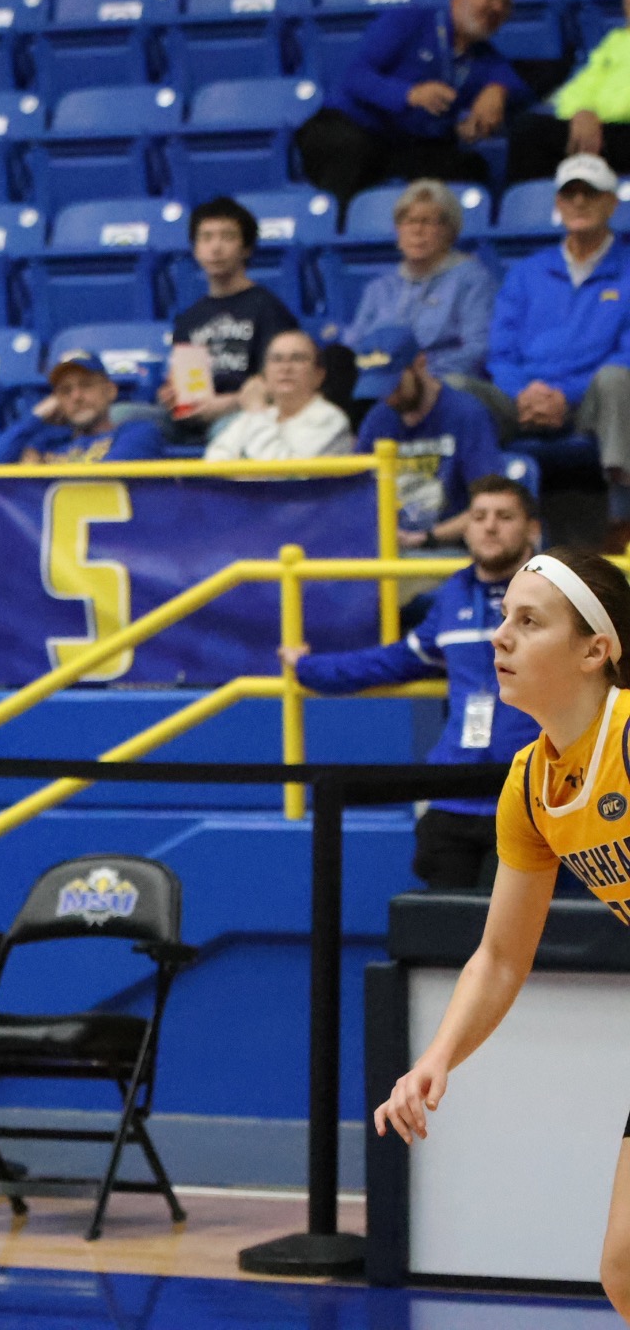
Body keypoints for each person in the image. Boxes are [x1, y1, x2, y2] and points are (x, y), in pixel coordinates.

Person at [373, 547, 630, 1316]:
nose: (500, 638)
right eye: (500, 619)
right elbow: (500, 957)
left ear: (597, 648)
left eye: (528, 621)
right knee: (624, 1264)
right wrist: (436, 1058)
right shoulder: (531, 784)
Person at [281, 477, 541, 890]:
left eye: (504, 517)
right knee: (436, 934)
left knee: (514, 945)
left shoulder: (560, 595)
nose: (490, 527)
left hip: (532, 801)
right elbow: (395, 661)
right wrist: (310, 668)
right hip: (452, 795)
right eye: (479, 517)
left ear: (533, 530)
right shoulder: (454, 593)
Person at [452, 155, 630, 520]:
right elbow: (499, 353)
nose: (579, 202)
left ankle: (622, 517)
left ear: (611, 203)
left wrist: (566, 395)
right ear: (558, 204)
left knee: (617, 381)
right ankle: (464, 513)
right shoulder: (526, 272)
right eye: (570, 194)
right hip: (523, 399)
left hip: (589, 403)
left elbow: (626, 354)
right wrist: (526, 393)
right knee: (454, 388)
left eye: (591, 193)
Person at [295, 0, 528, 205]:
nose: (497, 7)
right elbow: (355, 77)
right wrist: (409, 94)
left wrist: (498, 90)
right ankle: (339, 239)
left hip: (404, 144)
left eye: (506, 3)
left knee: (468, 168)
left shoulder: (485, 57)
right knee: (352, 149)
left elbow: (520, 83)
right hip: (351, 124)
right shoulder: (411, 18)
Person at [353, 325, 508, 546]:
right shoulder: (377, 419)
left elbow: (491, 500)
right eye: (378, 389)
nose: (389, 397)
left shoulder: (466, 414)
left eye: (394, 385)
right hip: (391, 549)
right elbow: (358, 497)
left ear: (420, 363)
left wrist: (429, 538)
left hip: (453, 549)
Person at [160, 197, 301, 437]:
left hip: (244, 412)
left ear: (246, 248)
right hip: (193, 414)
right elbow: (181, 381)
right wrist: (169, 395)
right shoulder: (189, 318)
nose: (216, 247)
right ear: (195, 249)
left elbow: (282, 382)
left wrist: (229, 403)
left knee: (226, 430)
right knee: (125, 417)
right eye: (206, 237)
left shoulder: (268, 309)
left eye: (227, 237)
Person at [342, 180, 498, 383]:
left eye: (427, 222)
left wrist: (419, 374)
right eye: (409, 221)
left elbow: (479, 348)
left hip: (442, 381)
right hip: (381, 380)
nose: (417, 230)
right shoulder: (380, 288)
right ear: (398, 231)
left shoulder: (472, 280)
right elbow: (354, 342)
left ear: (449, 232)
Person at [509, 0, 630, 185]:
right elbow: (576, 90)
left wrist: (596, 116)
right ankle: (537, 208)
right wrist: (582, 111)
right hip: (603, 128)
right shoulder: (616, 41)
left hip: (620, 127)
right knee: (529, 130)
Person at [0, 351, 162, 464]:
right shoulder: (47, 443)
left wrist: (40, 473)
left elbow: (103, 483)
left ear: (110, 391)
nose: (76, 397)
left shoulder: (137, 433)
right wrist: (35, 418)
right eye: (65, 391)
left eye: (86, 385)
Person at [204, 329, 353, 461]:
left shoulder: (330, 419)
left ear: (319, 375)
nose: (285, 368)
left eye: (297, 359)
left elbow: (284, 476)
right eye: (276, 359)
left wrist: (257, 412)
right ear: (264, 374)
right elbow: (214, 460)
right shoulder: (254, 416)